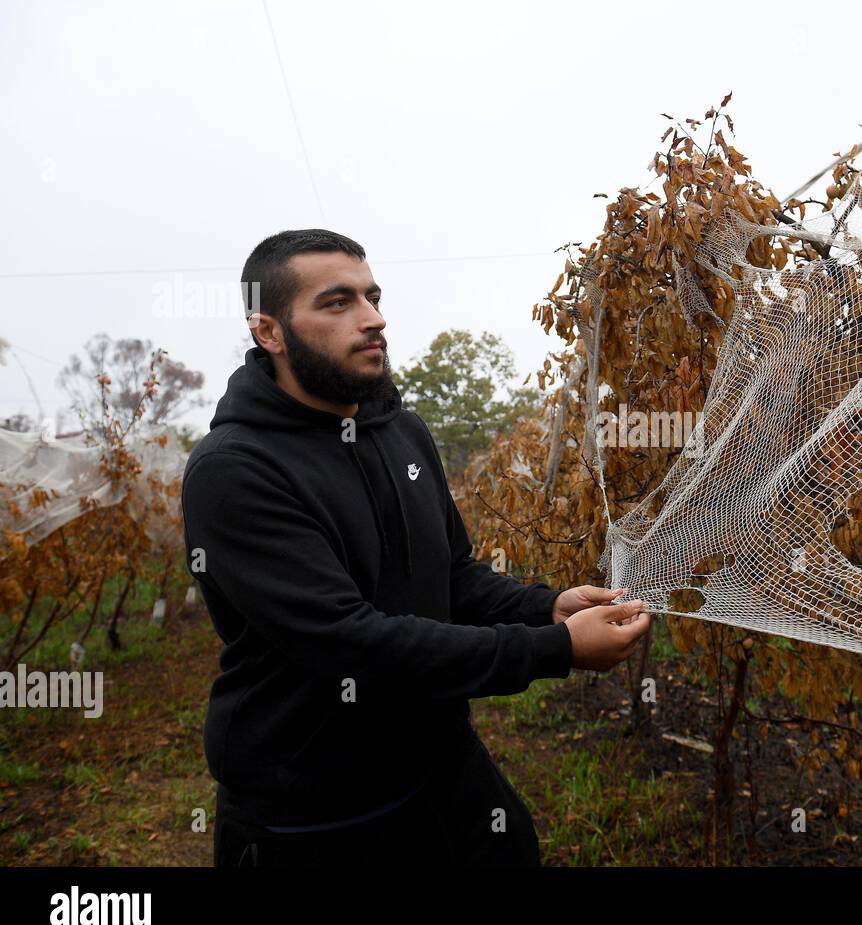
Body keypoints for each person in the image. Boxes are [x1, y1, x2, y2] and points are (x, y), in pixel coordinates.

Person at [181, 228, 651, 867]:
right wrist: (556, 650)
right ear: (269, 332)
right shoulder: (235, 470)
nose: (374, 319)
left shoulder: (402, 432)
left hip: (446, 772)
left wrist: (544, 609)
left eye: (372, 297)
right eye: (337, 302)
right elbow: (349, 641)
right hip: (316, 816)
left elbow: (451, 576)